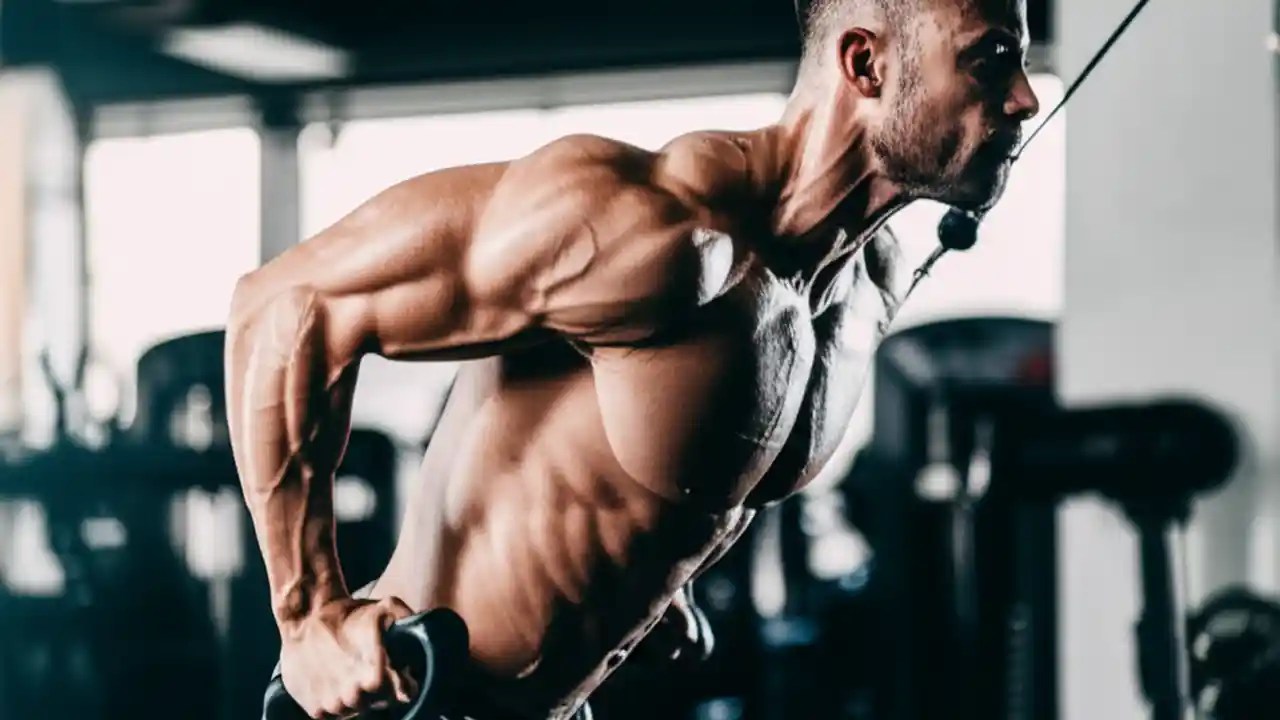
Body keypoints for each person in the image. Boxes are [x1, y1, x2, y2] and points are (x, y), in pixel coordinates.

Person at [225, 0, 1040, 717]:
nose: (1025, 98)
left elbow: (666, 459)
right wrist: (307, 619)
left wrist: (647, 582)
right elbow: (287, 306)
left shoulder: (865, 285)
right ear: (866, 64)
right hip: (406, 704)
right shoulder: (655, 230)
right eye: (991, 59)